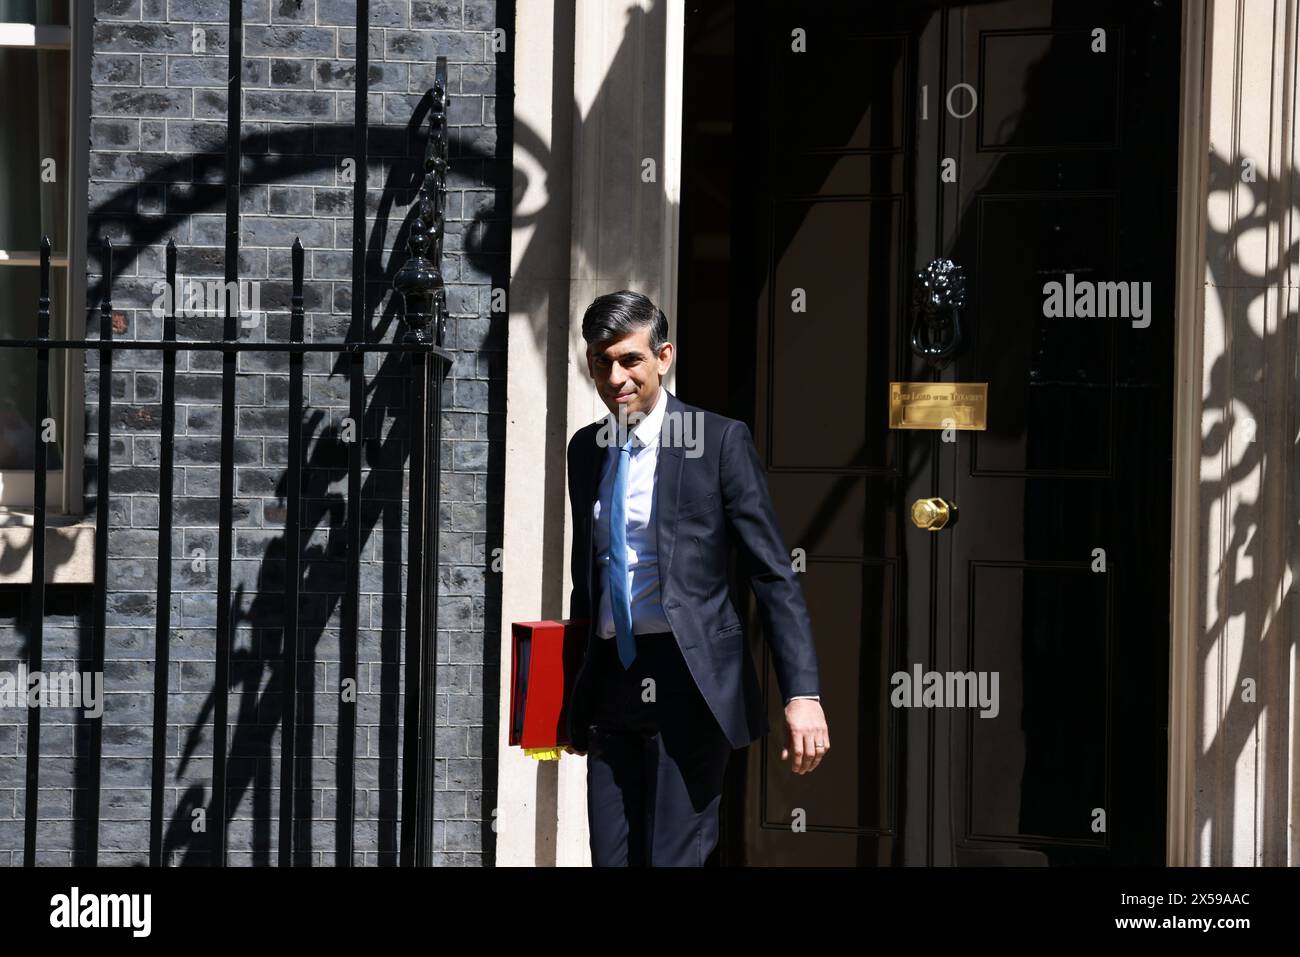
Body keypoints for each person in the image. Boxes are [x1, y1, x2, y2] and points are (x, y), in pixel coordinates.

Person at [563, 289, 828, 866]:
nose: (616, 378)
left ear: (664, 356)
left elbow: (772, 573)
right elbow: (594, 576)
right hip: (612, 681)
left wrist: (802, 694)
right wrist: (567, 689)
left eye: (630, 359)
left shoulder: (719, 442)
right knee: (611, 858)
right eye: (600, 362)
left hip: (692, 681)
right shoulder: (586, 449)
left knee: (674, 859)